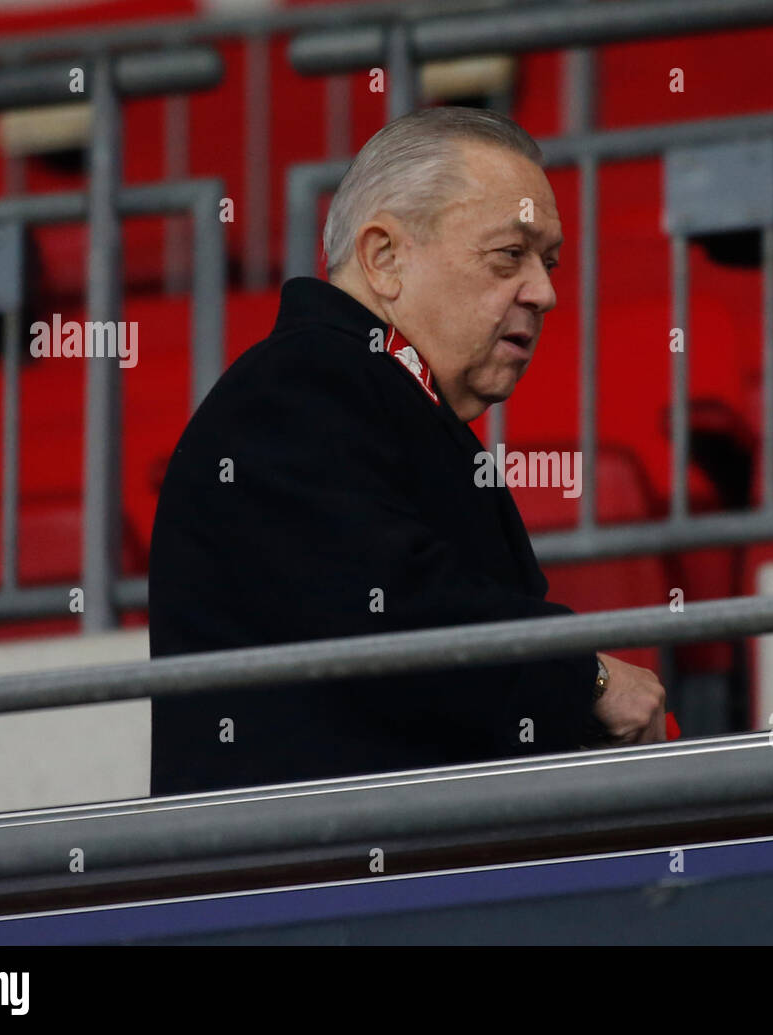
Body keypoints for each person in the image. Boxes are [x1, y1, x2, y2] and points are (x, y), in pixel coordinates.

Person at [149, 106, 666, 795]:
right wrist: (586, 680)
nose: (544, 292)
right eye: (510, 255)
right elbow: (392, 609)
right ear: (385, 257)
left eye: (549, 262)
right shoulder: (301, 382)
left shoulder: (372, 391)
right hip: (314, 884)